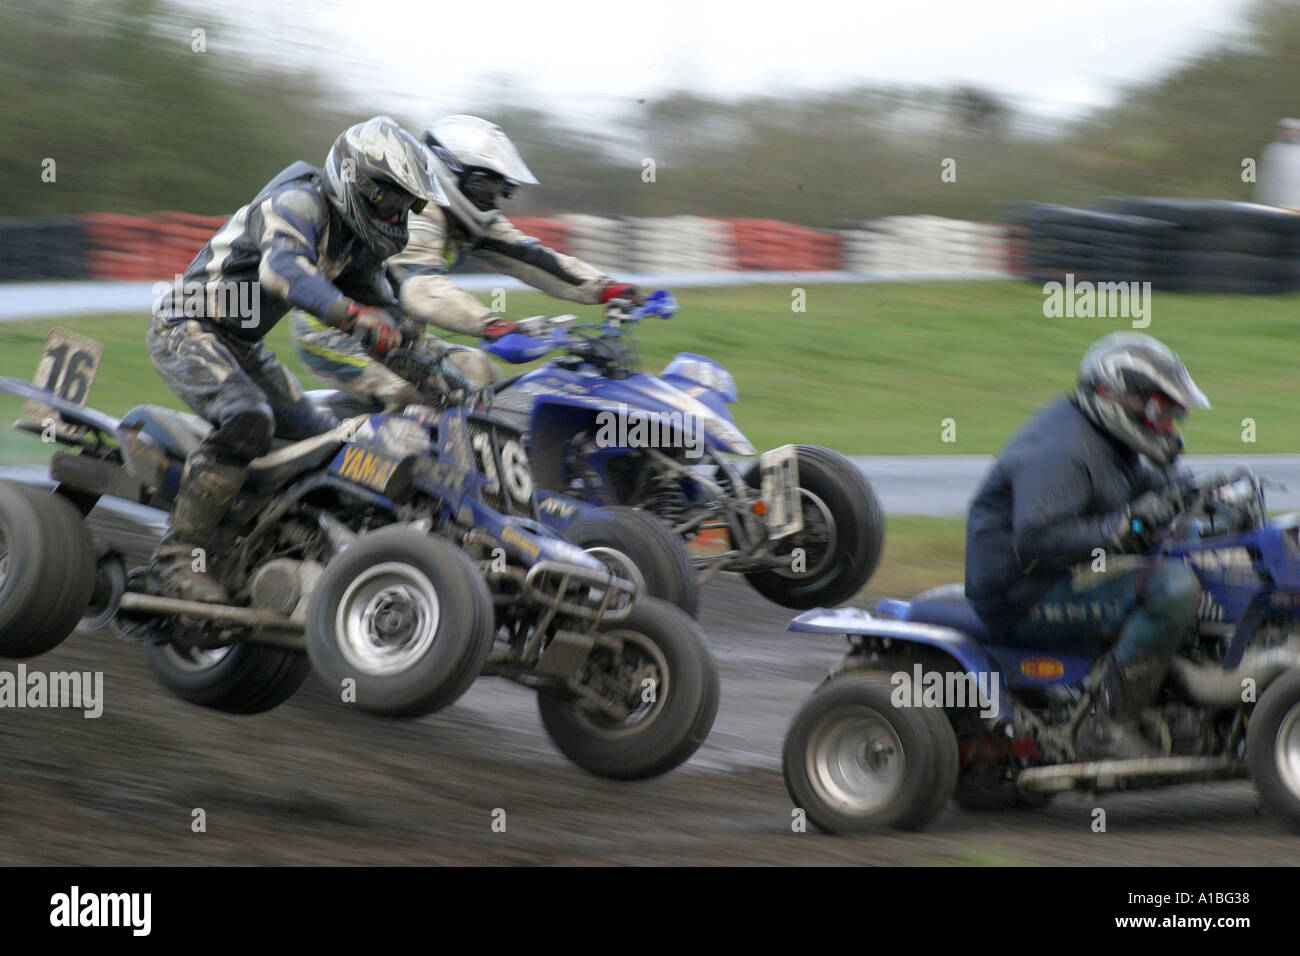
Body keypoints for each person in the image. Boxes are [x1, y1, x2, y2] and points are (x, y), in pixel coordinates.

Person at [147, 115, 442, 602]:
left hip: (242, 346)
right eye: (389, 198)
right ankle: (175, 559)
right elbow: (283, 272)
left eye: (407, 205)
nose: (396, 214)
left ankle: (264, 547)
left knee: (326, 443)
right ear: (356, 179)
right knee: (248, 416)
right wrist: (354, 317)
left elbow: (389, 321)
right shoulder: (297, 201)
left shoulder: (355, 243)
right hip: (186, 325)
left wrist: (447, 382)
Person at [964, 332, 1210, 758]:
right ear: (1119, 401)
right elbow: (1038, 540)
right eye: (1161, 413)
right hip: (1024, 593)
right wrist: (1123, 526)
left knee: (1202, 549)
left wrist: (1211, 504)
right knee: (1174, 588)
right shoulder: (1062, 451)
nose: (1168, 427)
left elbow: (1167, 491)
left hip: (1066, 574)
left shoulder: (1115, 442)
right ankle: (1109, 724)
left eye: (1174, 415)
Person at [291, 114, 647, 402]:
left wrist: (608, 289)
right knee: (422, 393)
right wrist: (491, 324)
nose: (492, 201)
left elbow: (536, 259)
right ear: (446, 173)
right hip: (334, 332)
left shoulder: (473, 219)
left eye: (501, 191)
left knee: (484, 379)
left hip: (397, 334)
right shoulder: (416, 214)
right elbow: (422, 289)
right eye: (484, 189)